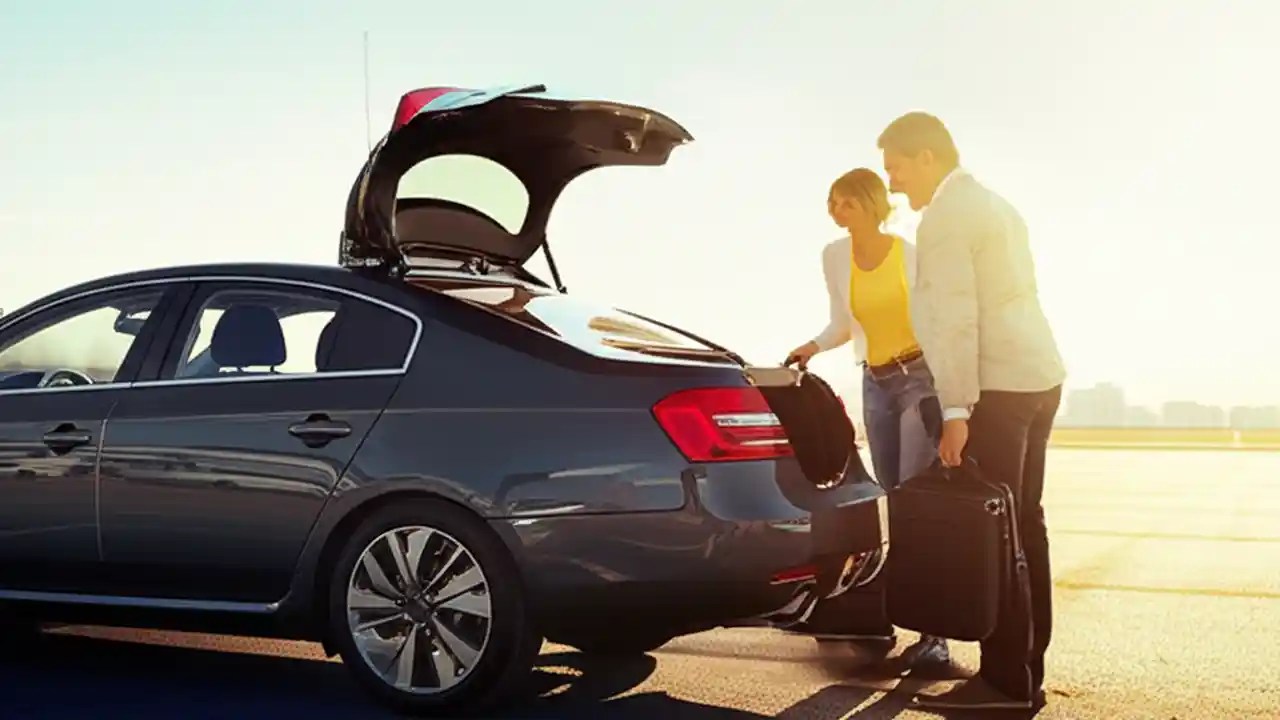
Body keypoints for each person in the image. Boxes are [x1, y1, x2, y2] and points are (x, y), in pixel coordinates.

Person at [876, 112, 1066, 711]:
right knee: (1025, 524)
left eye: (897, 168)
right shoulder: (996, 205)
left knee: (998, 534)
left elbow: (956, 317)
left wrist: (955, 407)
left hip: (998, 389)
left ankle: (1005, 683)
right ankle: (1026, 666)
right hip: (1039, 377)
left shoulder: (947, 217)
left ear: (928, 157)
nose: (894, 184)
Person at [783, 168, 950, 672]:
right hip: (875, 382)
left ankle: (936, 634)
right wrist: (812, 346)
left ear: (872, 204)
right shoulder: (834, 257)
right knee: (891, 500)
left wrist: (957, 399)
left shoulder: (908, 254)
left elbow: (938, 319)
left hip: (919, 377)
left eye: (846, 203)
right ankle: (896, 615)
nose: (836, 212)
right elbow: (842, 322)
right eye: (831, 203)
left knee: (916, 502)